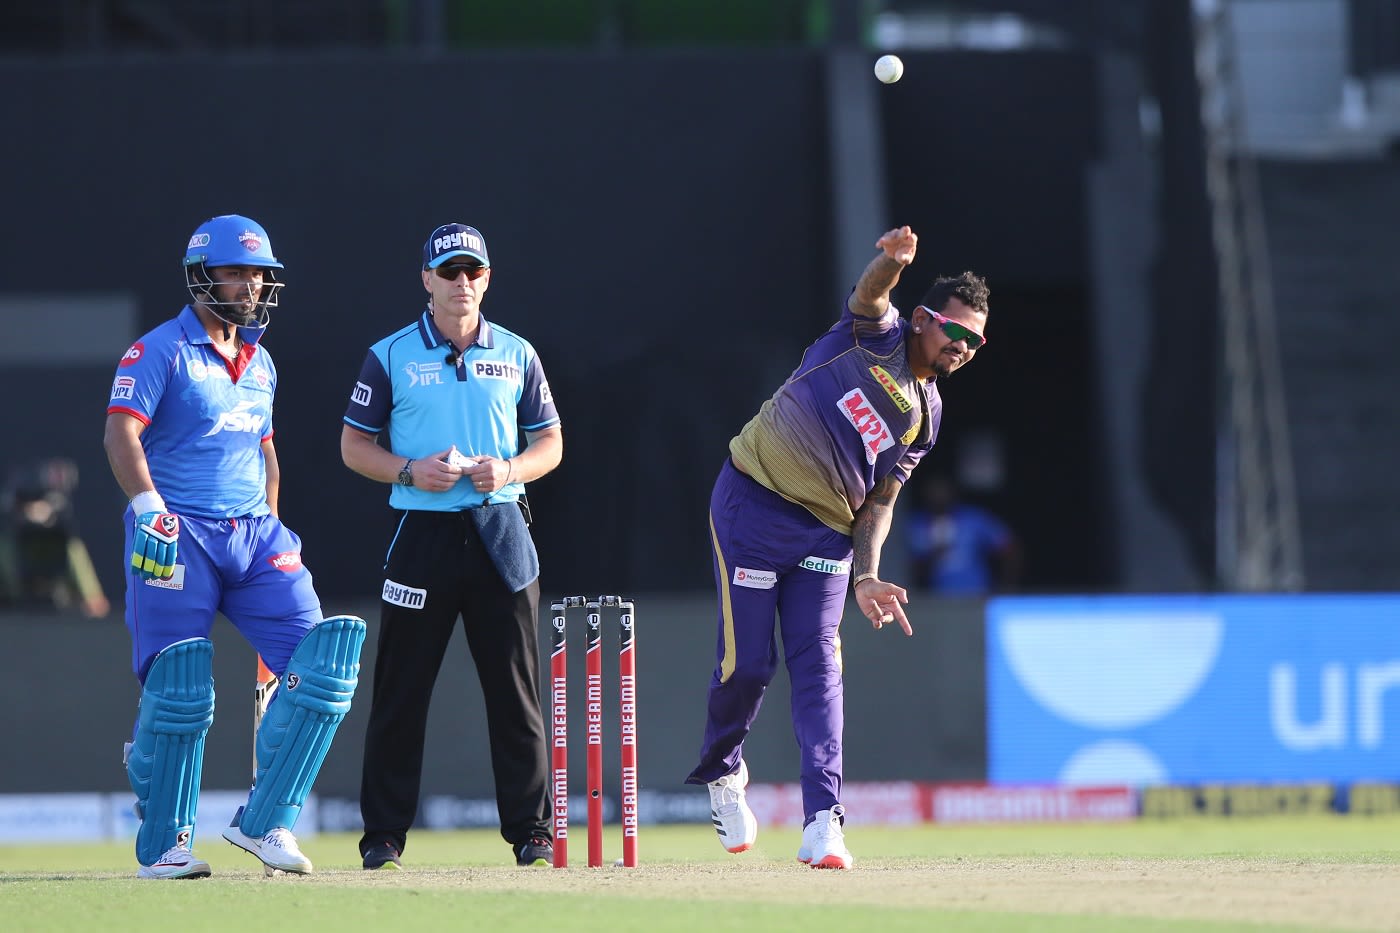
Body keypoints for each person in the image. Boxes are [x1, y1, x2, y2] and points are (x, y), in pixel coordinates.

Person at [685, 226, 991, 869]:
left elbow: (880, 501)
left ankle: (824, 820)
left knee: (820, 669)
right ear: (922, 319)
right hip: (753, 500)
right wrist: (890, 262)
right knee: (749, 666)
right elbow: (871, 294)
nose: (962, 347)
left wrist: (868, 574)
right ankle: (725, 769)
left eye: (975, 341)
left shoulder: (927, 417)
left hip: (827, 533)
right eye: (954, 331)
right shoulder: (873, 336)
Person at [103, 214, 367, 880]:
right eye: (236, 272)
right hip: (177, 533)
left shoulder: (263, 362)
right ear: (202, 277)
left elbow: (265, 452)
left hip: (253, 534)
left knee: (325, 665)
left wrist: (274, 527)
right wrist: (149, 508)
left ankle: (266, 821)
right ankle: (165, 842)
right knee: (181, 685)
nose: (251, 285)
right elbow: (121, 434)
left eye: (259, 274)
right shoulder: (159, 350)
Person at [342, 222, 563, 871]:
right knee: (401, 692)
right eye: (449, 271)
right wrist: (410, 470)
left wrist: (510, 469)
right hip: (422, 533)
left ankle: (533, 832)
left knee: (515, 693)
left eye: (472, 271)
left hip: (501, 530)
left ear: (486, 279)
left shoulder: (517, 352)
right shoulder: (389, 354)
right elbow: (353, 446)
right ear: (427, 280)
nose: (461, 282)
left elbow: (550, 443)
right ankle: (383, 836)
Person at [0, 457, 110, 618]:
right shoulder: (7, 542)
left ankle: (89, 597)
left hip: (56, 585)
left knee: (74, 549)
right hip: (17, 592)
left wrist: (92, 597)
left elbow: (56, 516)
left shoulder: (68, 542)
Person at [905, 474, 1021, 594]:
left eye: (943, 491)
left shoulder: (974, 518)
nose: (938, 496)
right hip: (934, 597)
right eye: (933, 491)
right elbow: (908, 565)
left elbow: (1010, 548)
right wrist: (932, 556)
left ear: (952, 492)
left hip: (978, 594)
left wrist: (1007, 586)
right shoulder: (916, 524)